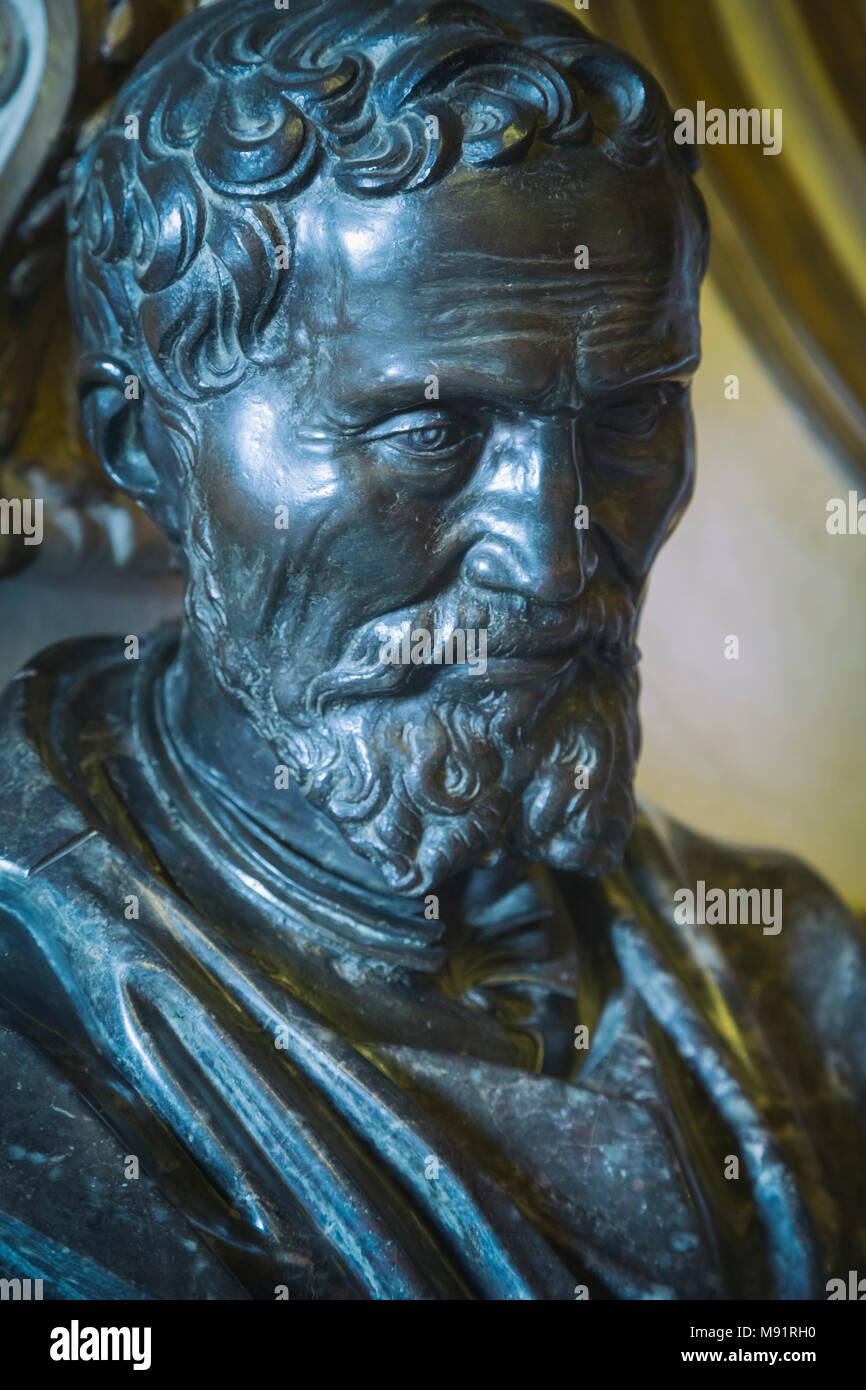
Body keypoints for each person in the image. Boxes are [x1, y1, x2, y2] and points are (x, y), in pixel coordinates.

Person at [0, 0, 863, 1300]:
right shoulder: (36, 1042)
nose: (556, 555)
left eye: (629, 416)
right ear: (145, 446)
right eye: (432, 433)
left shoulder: (793, 971)